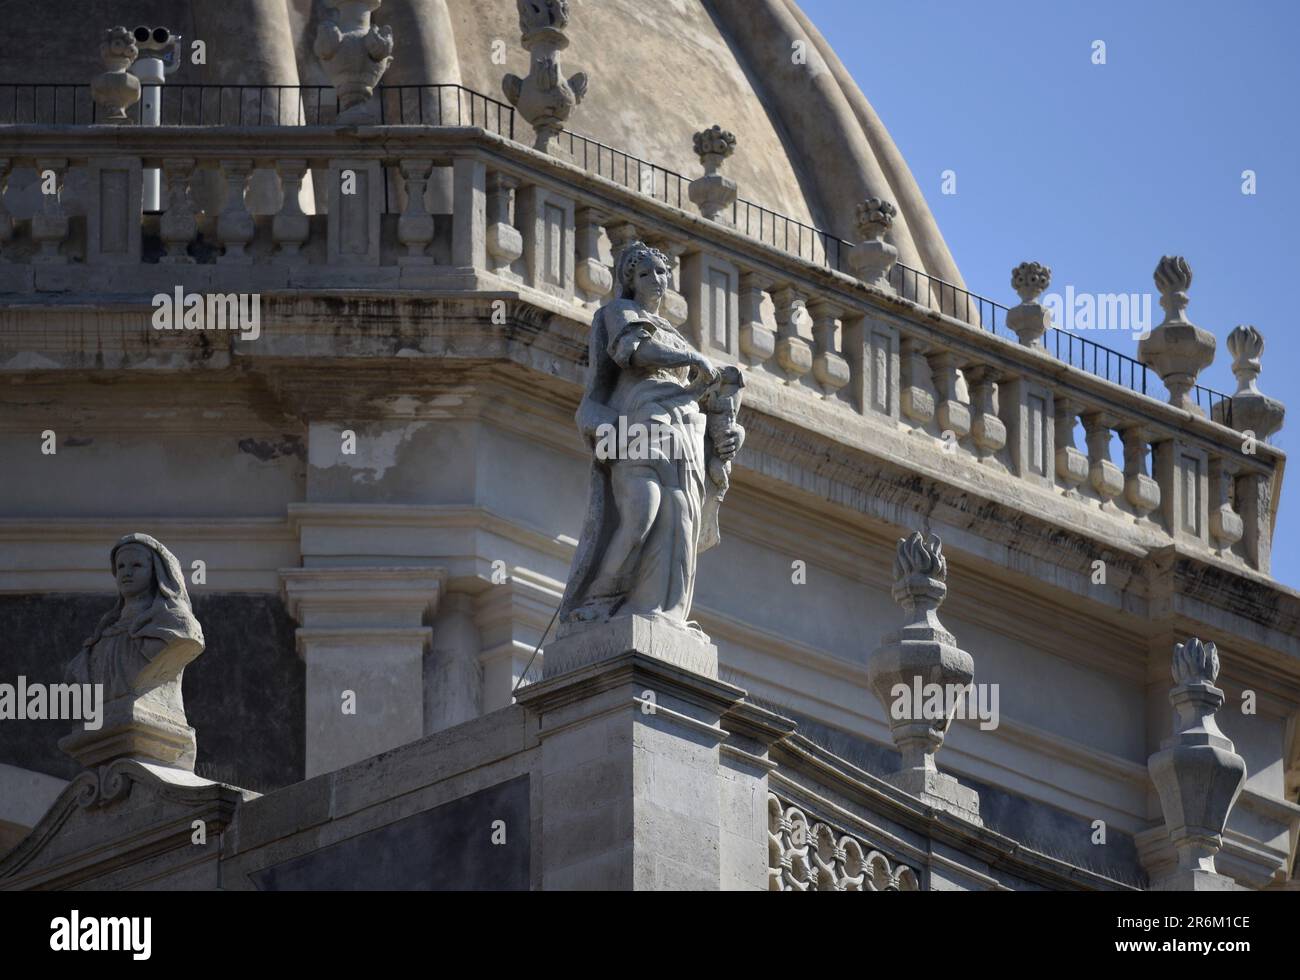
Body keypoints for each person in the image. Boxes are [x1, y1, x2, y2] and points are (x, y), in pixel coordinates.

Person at [559, 241, 743, 636]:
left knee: (680, 520)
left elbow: (713, 401)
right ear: (630, 280)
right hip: (639, 427)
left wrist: (729, 435)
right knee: (643, 510)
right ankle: (599, 601)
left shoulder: (676, 338)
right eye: (646, 274)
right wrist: (691, 360)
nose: (656, 280)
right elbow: (635, 352)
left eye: (661, 273)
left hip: (685, 433)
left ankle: (660, 612)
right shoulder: (619, 314)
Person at [65, 533, 204, 702]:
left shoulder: (177, 626)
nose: (126, 573)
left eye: (137, 565)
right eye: (121, 566)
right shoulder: (100, 639)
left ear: (155, 572)